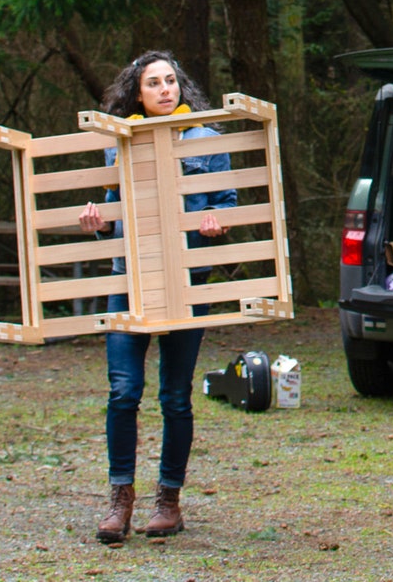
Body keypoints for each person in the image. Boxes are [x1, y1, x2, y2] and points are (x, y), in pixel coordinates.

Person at [77, 51, 236, 544]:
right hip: (130, 280)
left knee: (174, 396)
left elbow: (225, 204)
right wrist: (98, 225)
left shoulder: (208, 138)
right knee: (124, 391)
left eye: (171, 80)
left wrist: (216, 224)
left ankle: (169, 499)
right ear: (137, 93)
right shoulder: (119, 142)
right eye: (154, 83)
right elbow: (113, 214)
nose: (166, 89)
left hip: (187, 282)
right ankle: (120, 499)